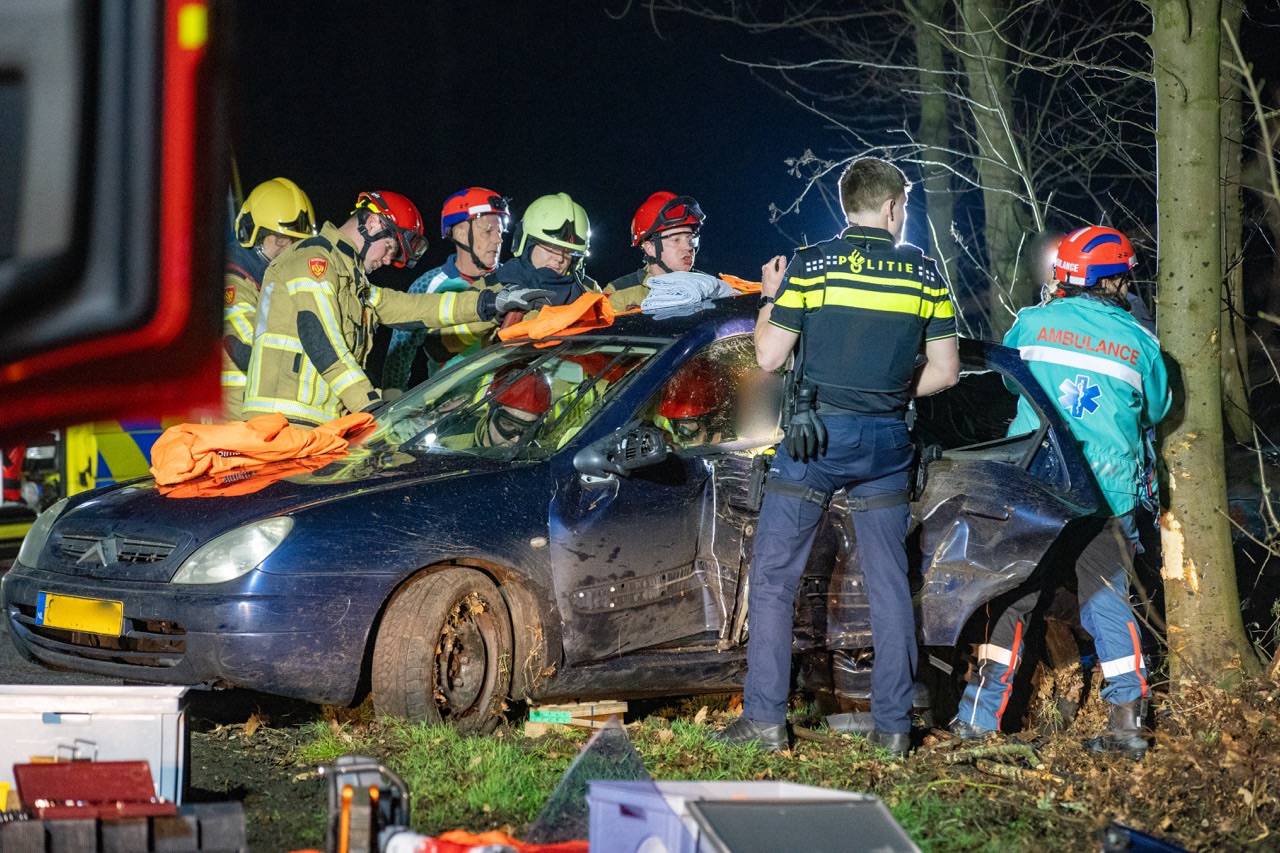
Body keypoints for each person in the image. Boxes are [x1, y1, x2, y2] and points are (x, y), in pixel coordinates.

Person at [710, 157, 960, 756]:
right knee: (889, 584)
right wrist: (889, 394)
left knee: (774, 578)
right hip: (886, 443)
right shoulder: (924, 273)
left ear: (846, 206)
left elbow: (768, 357)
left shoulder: (813, 265)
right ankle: (893, 727)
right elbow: (946, 371)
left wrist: (770, 298)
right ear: (894, 208)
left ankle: (766, 720)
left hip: (813, 439)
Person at [949, 225, 1170, 758]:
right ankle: (1128, 726)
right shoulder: (1142, 342)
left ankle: (977, 722)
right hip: (1106, 496)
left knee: (1011, 600)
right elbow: (1158, 409)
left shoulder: (1032, 324)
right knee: (1109, 603)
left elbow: (1007, 382)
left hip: (1037, 492)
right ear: (1115, 280)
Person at [242, 190, 549, 427]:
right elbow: (321, 339)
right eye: (389, 247)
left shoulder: (351, 278)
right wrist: (372, 407)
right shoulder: (313, 262)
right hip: (281, 425)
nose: (388, 260)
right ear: (373, 223)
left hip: (316, 424)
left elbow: (409, 306)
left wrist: (487, 303)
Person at [382, 187, 511, 391]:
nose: (498, 239)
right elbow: (399, 353)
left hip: (505, 411)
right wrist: (393, 402)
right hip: (449, 412)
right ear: (460, 233)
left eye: (500, 231)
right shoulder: (427, 285)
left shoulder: (513, 280)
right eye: (488, 231)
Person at [222, 177, 317, 420]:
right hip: (235, 427)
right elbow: (250, 350)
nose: (288, 248)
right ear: (252, 233)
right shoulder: (233, 283)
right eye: (281, 239)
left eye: (295, 241)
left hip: (262, 422)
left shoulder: (268, 283)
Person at [492, 192, 600, 308]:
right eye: (551, 247)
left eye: (569, 251)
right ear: (527, 244)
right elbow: (470, 312)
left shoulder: (589, 292)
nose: (560, 258)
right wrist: (490, 304)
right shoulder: (494, 286)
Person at [605, 192, 705, 311]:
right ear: (650, 248)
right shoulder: (619, 294)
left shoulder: (709, 286)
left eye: (690, 239)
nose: (688, 247)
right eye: (676, 240)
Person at [654, 358, 727, 447]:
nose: (682, 425)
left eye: (688, 420)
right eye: (679, 421)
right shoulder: (663, 419)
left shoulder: (718, 427)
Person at [476, 367, 553, 448]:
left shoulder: (537, 457)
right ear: (489, 410)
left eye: (528, 430)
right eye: (508, 424)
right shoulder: (462, 436)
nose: (516, 440)